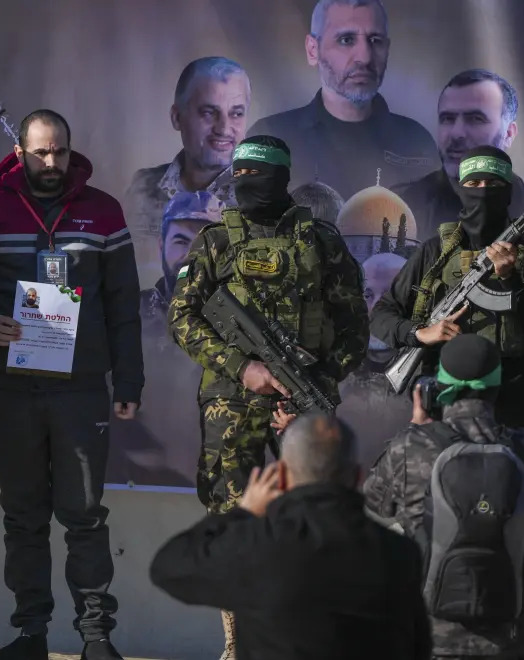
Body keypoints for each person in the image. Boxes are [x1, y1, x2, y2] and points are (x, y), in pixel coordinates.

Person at [167, 135, 369, 655]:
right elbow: (183, 319)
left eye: (258, 174)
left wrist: (316, 386)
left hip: (303, 402)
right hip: (231, 401)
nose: (247, 184)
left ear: (282, 178)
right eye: (239, 174)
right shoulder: (215, 241)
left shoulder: (321, 241)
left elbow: (354, 328)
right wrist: (242, 367)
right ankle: (240, 642)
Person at [0, 109, 143, 660]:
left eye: (59, 151)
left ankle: (96, 639)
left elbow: (123, 304)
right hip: (10, 387)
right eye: (40, 151)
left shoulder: (103, 211)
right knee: (23, 515)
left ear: (71, 150)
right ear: (19, 152)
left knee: (84, 515)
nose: (50, 162)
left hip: (80, 388)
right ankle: (31, 637)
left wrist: (128, 379)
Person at [149, 413, 433, 660]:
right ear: (357, 476)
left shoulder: (257, 546)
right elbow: (418, 646)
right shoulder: (398, 553)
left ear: (280, 477)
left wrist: (243, 513)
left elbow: (169, 567)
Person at [363, 333, 524, 660]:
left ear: (437, 388)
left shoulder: (410, 448)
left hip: (429, 638)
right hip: (507, 637)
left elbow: (376, 503)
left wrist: (415, 429)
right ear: (496, 388)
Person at [370, 145, 524, 432]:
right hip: (446, 392)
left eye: (493, 184)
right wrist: (420, 333)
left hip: (513, 395)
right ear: (461, 189)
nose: (483, 191)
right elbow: (382, 314)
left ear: (508, 190)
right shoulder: (436, 251)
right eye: (474, 183)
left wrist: (510, 280)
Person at [246, 0, 438, 200]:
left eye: (375, 40)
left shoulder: (418, 141)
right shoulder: (269, 139)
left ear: (387, 49)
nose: (364, 57)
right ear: (313, 50)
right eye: (346, 40)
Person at [391, 69, 524, 241]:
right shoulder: (402, 210)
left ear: (509, 134)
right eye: (448, 119)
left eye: (475, 119)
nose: (457, 133)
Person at [125, 56, 250, 237]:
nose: (223, 128)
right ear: (177, 118)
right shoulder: (143, 188)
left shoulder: (264, 201)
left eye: (236, 113)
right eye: (208, 113)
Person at [140, 190, 223, 333]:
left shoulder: (240, 315)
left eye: (205, 242)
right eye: (181, 242)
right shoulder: (133, 311)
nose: (191, 254)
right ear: (162, 247)